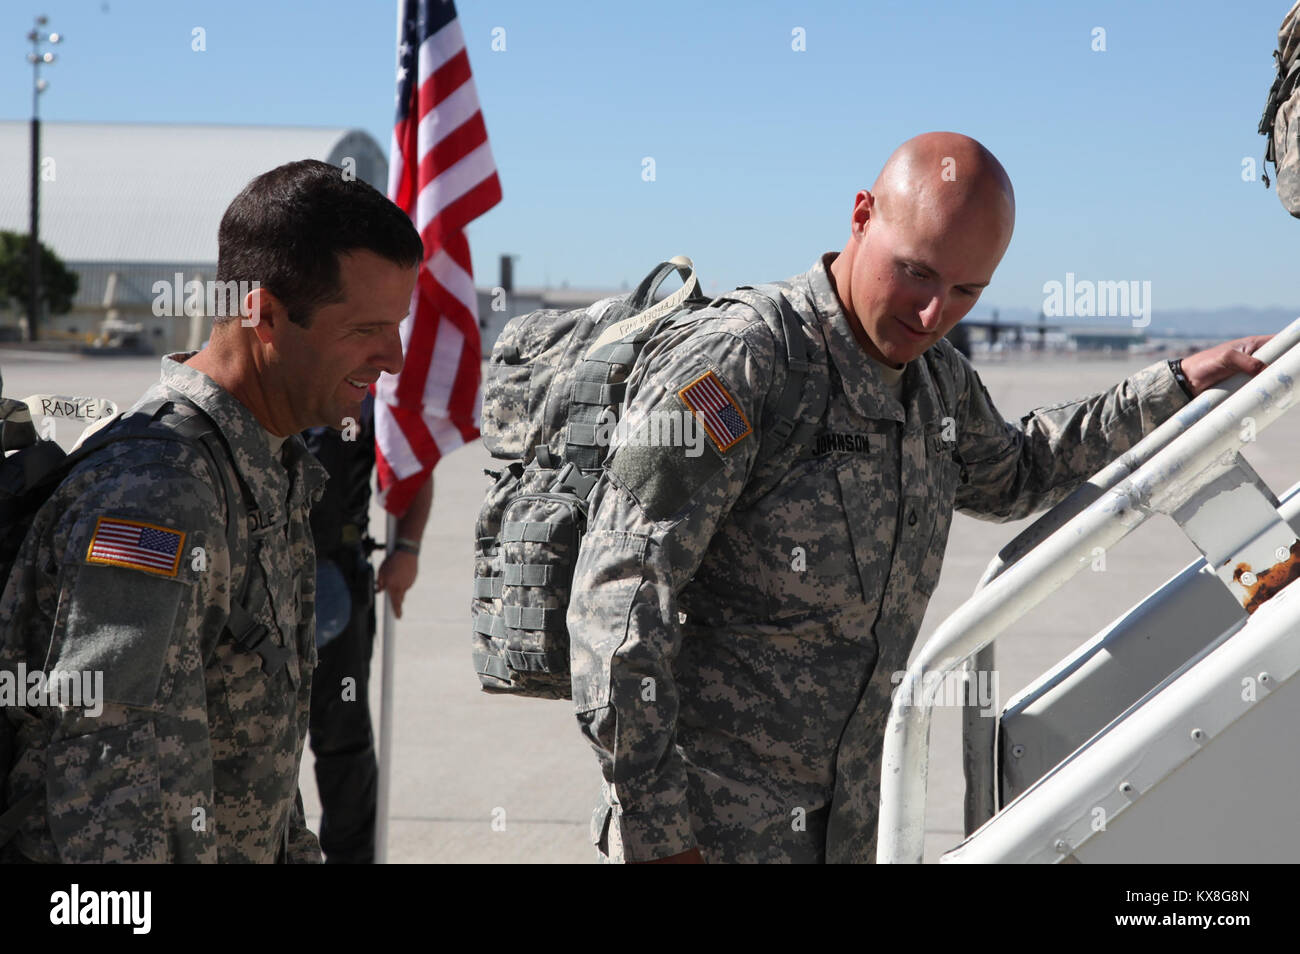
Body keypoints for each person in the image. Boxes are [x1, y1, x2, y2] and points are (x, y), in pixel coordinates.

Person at [568, 131, 1273, 864]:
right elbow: (615, 600)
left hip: (842, 832)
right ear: (862, 215)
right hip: (707, 839)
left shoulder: (934, 381)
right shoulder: (743, 363)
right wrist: (660, 837)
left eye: (967, 291)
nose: (935, 314)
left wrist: (1181, 381)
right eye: (917, 273)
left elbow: (1020, 469)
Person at [0, 159, 420, 863]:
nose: (396, 358)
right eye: (367, 329)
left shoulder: (269, 468)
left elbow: (257, 775)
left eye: (398, 325)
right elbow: (105, 791)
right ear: (262, 313)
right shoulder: (159, 492)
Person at [303, 394, 432, 864]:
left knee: (343, 739)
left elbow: (412, 471)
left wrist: (408, 550)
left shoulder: (363, 400)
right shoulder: (255, 393)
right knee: (253, 737)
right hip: (254, 585)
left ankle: (353, 857)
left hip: (335, 583)